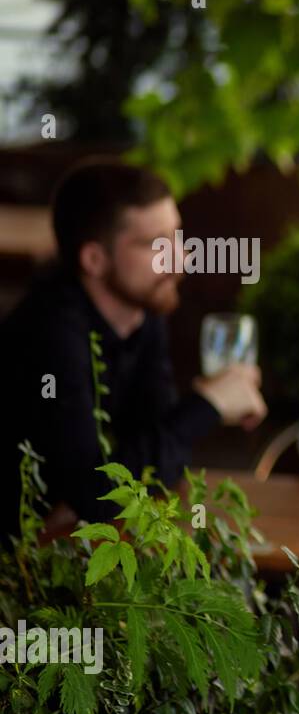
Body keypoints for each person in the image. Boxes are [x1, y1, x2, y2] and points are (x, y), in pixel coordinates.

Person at [0, 159, 266, 543]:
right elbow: (99, 496)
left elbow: (157, 467)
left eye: (176, 235)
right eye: (154, 245)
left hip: (70, 545)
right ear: (94, 259)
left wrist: (91, 492)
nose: (180, 258)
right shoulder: (50, 332)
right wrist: (207, 404)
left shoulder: (143, 311)